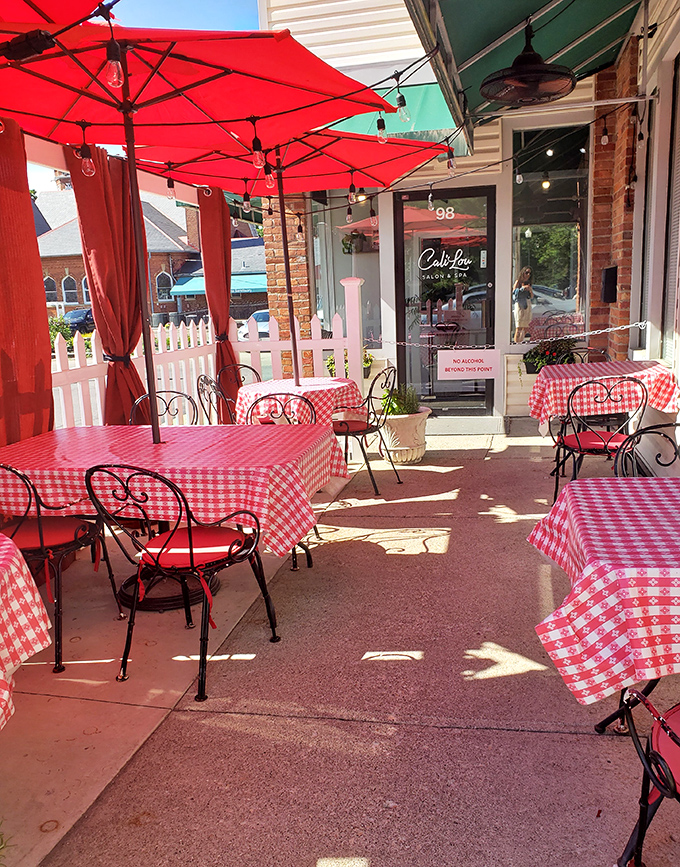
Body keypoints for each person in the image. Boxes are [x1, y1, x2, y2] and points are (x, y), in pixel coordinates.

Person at [512, 266, 534, 343]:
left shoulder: (529, 283)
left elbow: (531, 297)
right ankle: (516, 342)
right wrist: (522, 288)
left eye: (529, 273)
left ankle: (521, 341)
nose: (528, 275)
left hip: (527, 303)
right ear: (523, 272)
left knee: (526, 326)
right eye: (526, 272)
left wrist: (530, 290)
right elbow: (514, 292)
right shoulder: (518, 281)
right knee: (519, 326)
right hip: (520, 304)